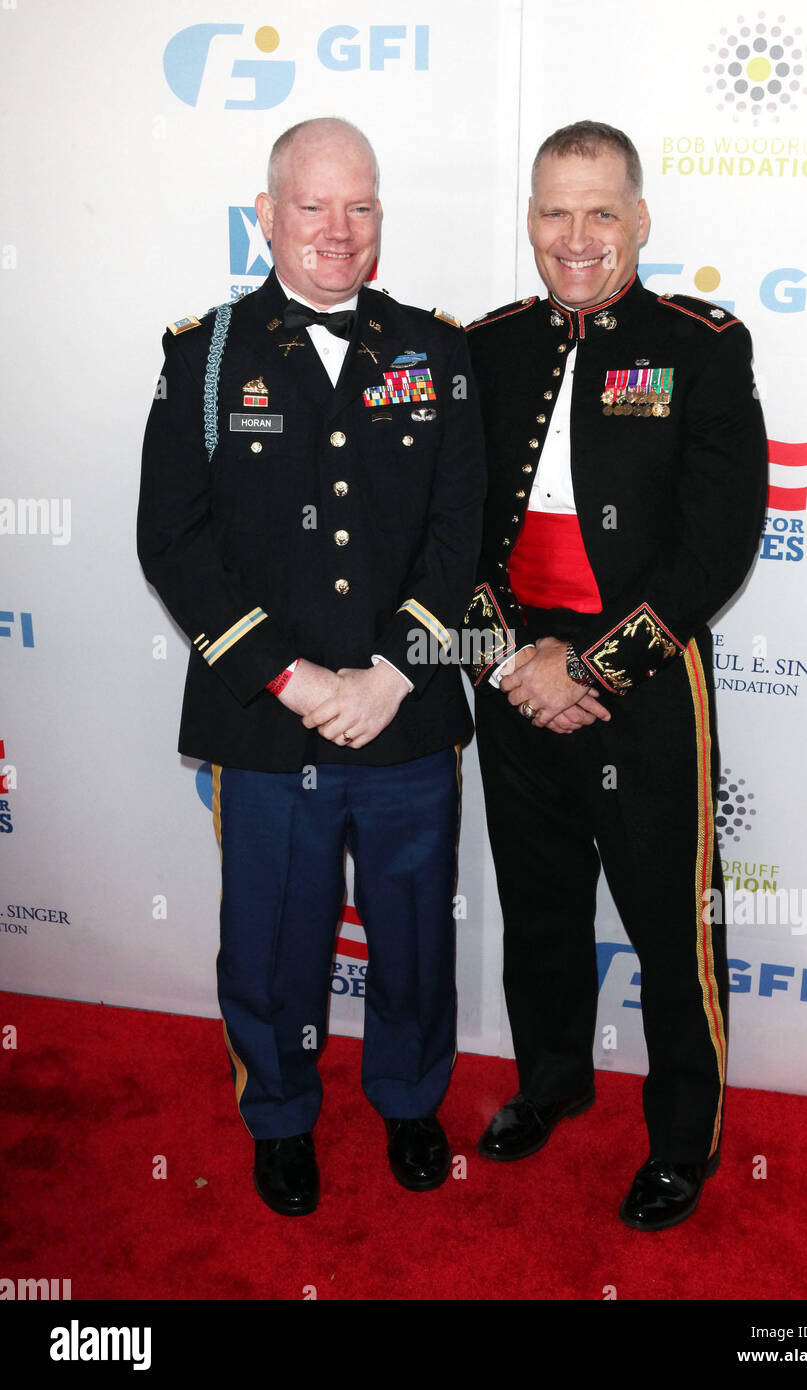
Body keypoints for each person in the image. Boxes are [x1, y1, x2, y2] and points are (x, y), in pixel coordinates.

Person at [138, 117, 485, 1216]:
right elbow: (171, 538)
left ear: (381, 217)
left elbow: (461, 527)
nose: (339, 231)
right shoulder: (202, 355)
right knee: (274, 939)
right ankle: (280, 1113)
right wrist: (292, 678)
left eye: (361, 206)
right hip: (267, 716)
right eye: (312, 206)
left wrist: (390, 672)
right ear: (265, 216)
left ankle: (410, 1096)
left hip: (407, 711)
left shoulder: (436, 348)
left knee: (414, 931)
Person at [461, 121, 767, 1230]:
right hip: (512, 680)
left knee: (667, 922)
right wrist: (513, 663)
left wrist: (590, 667)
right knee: (539, 906)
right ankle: (550, 1080)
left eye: (600, 211)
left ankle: (683, 1136)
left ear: (639, 220)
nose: (576, 236)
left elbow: (718, 544)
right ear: (530, 221)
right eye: (554, 211)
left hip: (641, 683)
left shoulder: (700, 343)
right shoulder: (488, 348)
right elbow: (456, 532)